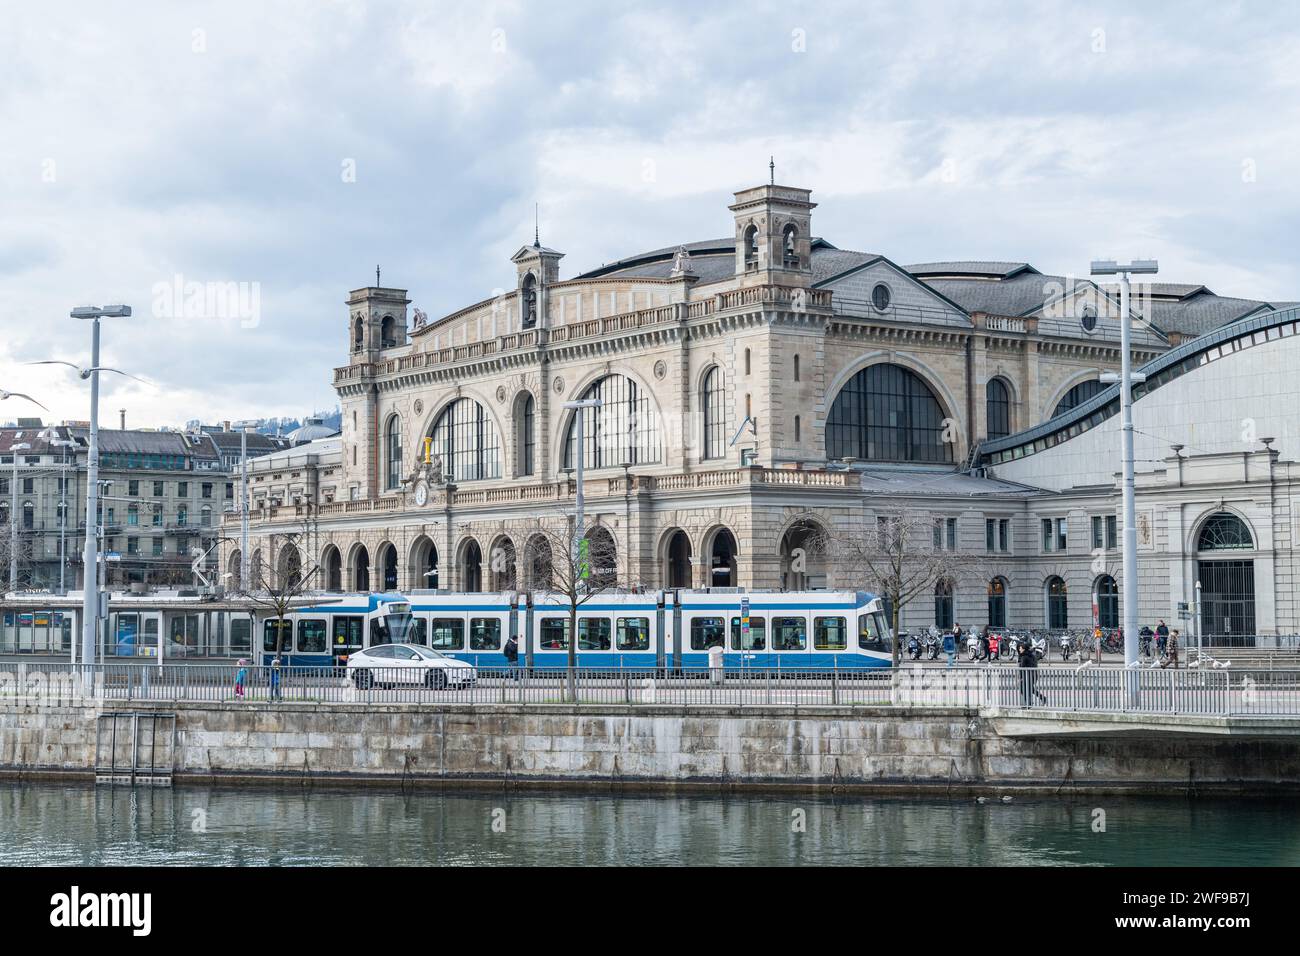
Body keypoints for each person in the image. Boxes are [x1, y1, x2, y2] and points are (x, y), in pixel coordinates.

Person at [1016, 638, 1045, 706]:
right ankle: (1036, 700)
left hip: (1027, 676)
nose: (1019, 650)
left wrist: (1020, 678)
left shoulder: (1023, 657)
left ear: (1024, 649)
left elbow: (1022, 668)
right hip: (1033, 675)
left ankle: (1028, 703)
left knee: (1024, 689)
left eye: (1020, 648)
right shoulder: (1031, 655)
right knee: (1030, 689)